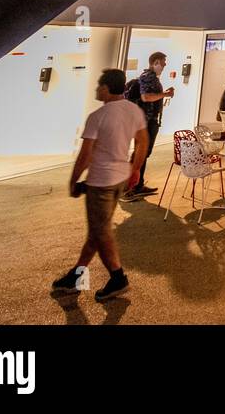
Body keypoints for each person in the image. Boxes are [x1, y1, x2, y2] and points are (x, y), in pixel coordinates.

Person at [52, 69, 149, 301]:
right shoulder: (133, 110)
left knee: (102, 232)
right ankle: (75, 277)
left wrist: (73, 180)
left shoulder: (98, 116)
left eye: (98, 85)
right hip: (119, 179)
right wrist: (133, 170)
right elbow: (143, 142)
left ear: (106, 88)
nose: (96, 89)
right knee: (97, 230)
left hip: (101, 181)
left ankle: (118, 278)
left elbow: (85, 155)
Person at [123, 52, 174, 200]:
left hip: (149, 120)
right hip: (144, 121)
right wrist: (165, 94)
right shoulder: (147, 77)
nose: (164, 65)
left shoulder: (152, 78)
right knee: (140, 154)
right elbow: (146, 97)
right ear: (156, 62)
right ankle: (128, 187)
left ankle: (138, 185)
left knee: (143, 154)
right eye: (163, 62)